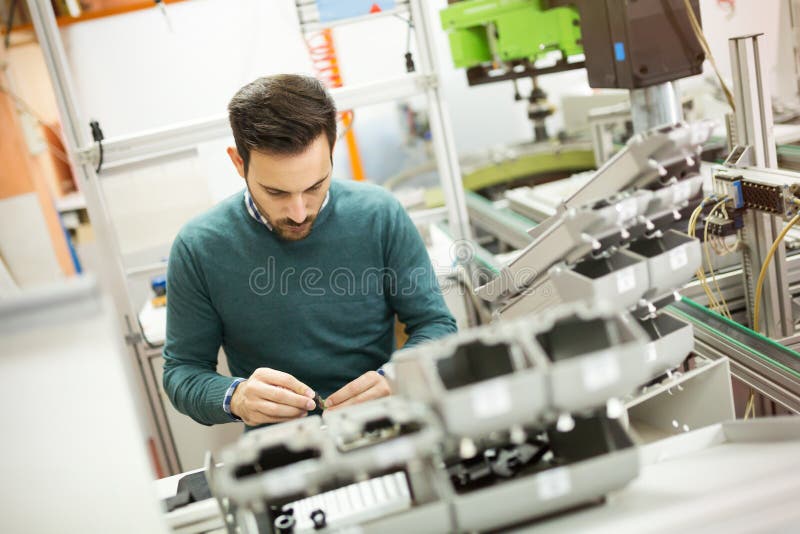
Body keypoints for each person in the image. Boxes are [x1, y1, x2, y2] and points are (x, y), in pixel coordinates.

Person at [162, 74, 457, 429]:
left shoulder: (379, 215)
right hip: (281, 447)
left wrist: (397, 376)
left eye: (315, 186)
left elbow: (436, 324)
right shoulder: (199, 247)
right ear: (239, 164)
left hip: (384, 425)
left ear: (332, 153)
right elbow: (182, 371)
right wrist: (235, 397)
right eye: (276, 193)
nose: (299, 213)